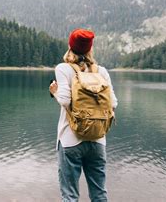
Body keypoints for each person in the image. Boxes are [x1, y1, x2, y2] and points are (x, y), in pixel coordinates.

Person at [49, 28, 118, 202]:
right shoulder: (101, 71)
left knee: (70, 196)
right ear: (90, 49)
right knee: (99, 194)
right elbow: (114, 104)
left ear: (70, 46)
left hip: (70, 141)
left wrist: (54, 91)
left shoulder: (64, 68)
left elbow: (64, 100)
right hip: (97, 141)